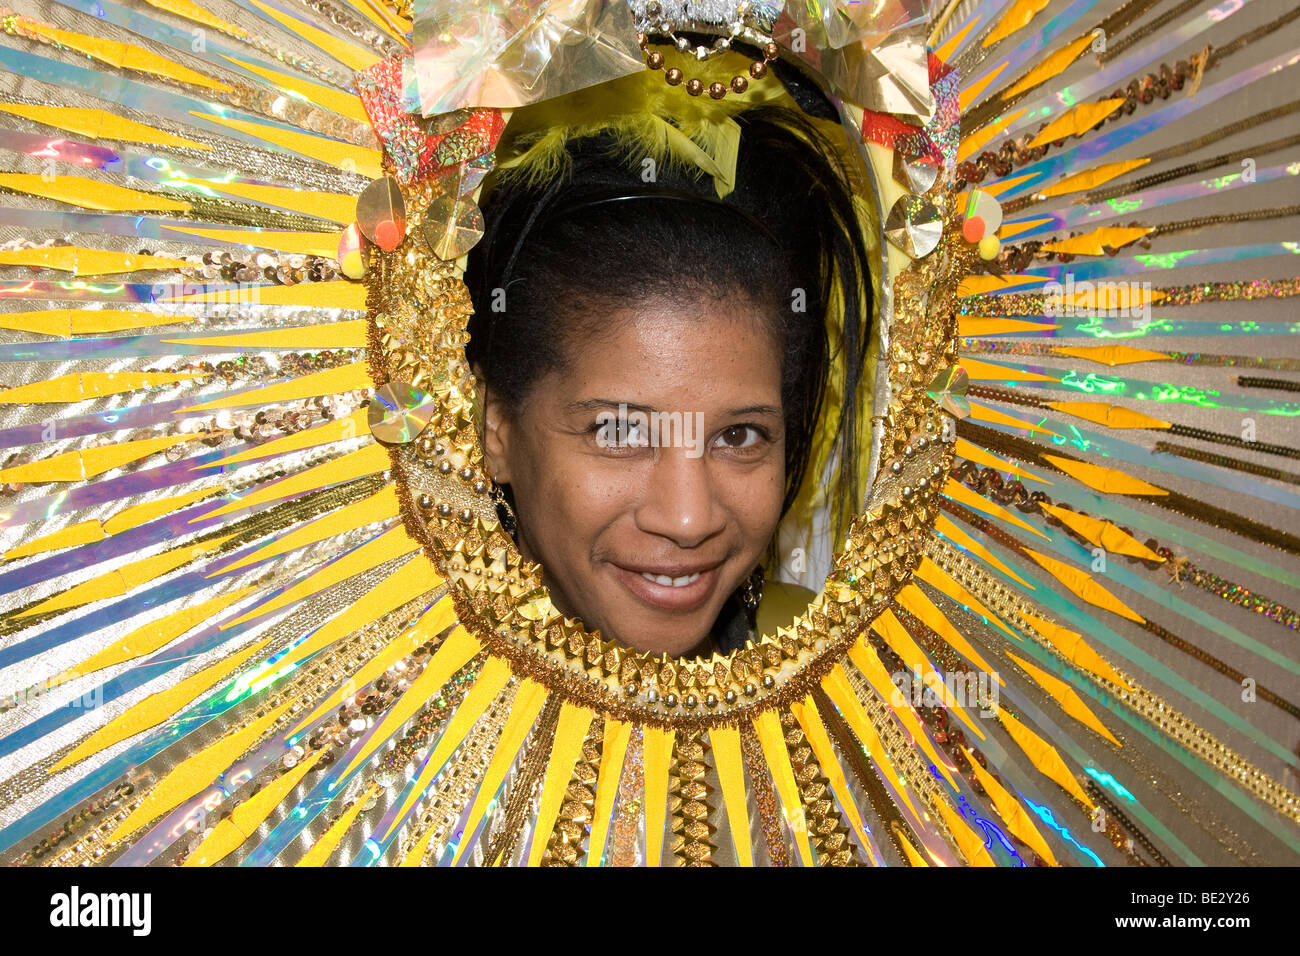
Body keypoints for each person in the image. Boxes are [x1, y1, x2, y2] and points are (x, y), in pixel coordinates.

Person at [463, 85, 877, 660]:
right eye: (620, 432)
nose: (688, 519)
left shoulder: (842, 691)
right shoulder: (398, 738)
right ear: (493, 427)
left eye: (739, 435)